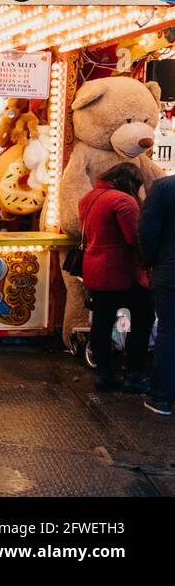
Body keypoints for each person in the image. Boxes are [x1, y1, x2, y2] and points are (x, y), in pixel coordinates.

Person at [80, 163, 155, 393]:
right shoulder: (123, 201)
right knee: (143, 319)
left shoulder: (91, 197)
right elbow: (135, 238)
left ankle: (104, 374)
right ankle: (134, 373)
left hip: (95, 268)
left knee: (102, 322)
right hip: (121, 271)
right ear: (131, 182)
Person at [138, 170, 175, 416]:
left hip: (170, 271)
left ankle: (162, 397)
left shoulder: (164, 188)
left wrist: (149, 262)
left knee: (169, 332)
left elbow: (147, 230)